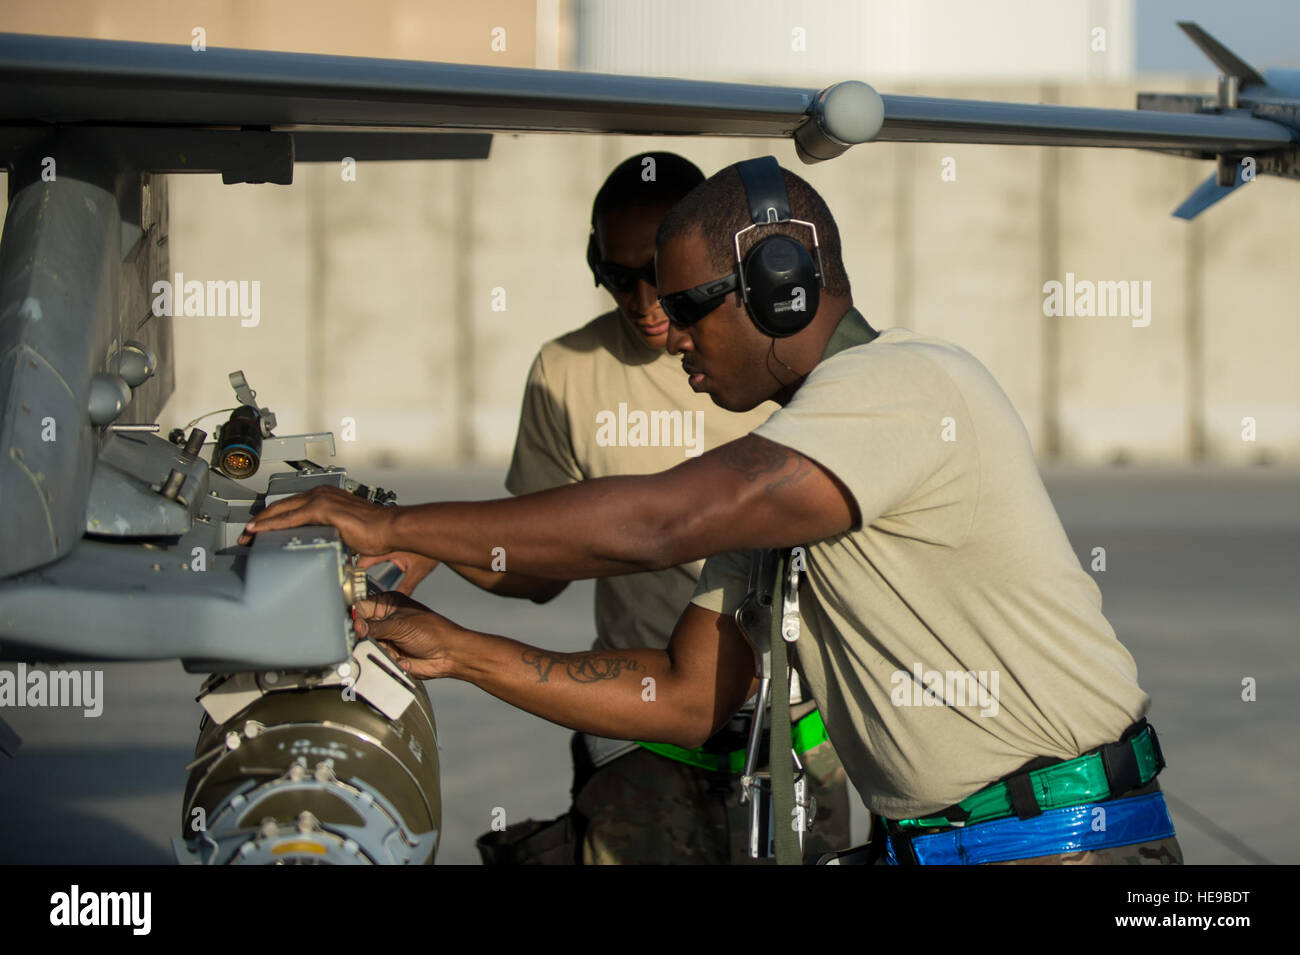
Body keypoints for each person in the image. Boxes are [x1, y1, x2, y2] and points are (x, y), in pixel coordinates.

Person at [244, 156, 1182, 865]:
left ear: (782, 286)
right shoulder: (794, 481)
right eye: (639, 292)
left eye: (689, 304)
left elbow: (661, 522)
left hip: (1068, 843)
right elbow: (690, 697)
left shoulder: (905, 385)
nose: (669, 331)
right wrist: (454, 648)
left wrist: (397, 525)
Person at [360, 152, 850, 864]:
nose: (648, 302)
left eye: (663, 276)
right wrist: (432, 544)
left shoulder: (769, 364)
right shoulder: (567, 372)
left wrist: (419, 536)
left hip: (788, 732)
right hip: (643, 726)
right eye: (622, 278)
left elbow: (656, 523)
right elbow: (538, 567)